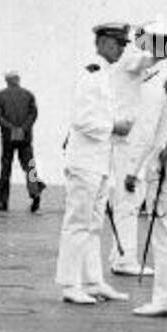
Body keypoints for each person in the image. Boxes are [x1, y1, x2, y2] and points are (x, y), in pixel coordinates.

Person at [55, 23, 134, 304]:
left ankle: (93, 281)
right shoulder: (92, 74)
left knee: (94, 225)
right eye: (117, 43)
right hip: (85, 162)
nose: (122, 48)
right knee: (78, 223)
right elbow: (82, 119)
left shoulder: (106, 76)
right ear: (101, 43)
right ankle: (70, 284)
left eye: (124, 44)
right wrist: (116, 126)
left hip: (100, 162)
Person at [124, 22, 167, 316]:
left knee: (165, 234)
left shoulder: (156, 83)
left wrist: (132, 170)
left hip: (163, 167)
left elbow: (145, 131)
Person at [106, 37, 154, 275]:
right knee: (129, 200)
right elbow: (147, 59)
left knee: (126, 201)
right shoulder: (130, 58)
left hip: (127, 141)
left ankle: (120, 256)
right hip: (129, 141)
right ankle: (125, 260)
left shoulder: (122, 63)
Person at [0, 71, 44, 211]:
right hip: (25, 137)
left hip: (8, 138)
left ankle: (3, 201)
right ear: (18, 80)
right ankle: (35, 193)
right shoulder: (28, 94)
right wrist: (23, 128)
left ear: (6, 81)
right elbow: (33, 114)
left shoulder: (0, 95)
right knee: (30, 167)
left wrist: (11, 128)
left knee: (6, 168)